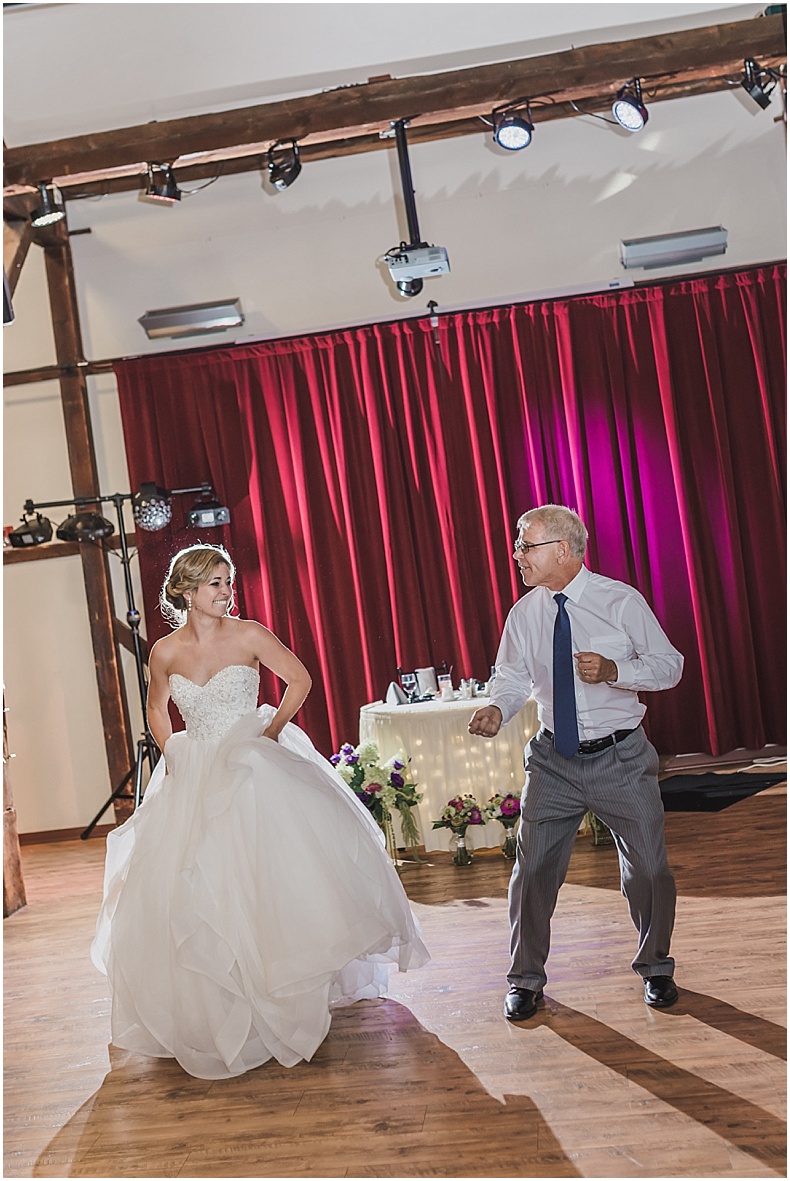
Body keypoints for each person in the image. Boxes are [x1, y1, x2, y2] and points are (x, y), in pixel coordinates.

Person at [91, 543, 428, 1079]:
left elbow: (300, 679)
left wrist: (268, 733)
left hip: (251, 766)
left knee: (268, 880)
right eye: (216, 583)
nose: (228, 591)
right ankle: (223, 1010)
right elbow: (156, 707)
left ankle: (282, 993)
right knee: (197, 888)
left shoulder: (249, 635)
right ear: (186, 591)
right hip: (194, 769)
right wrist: (172, 751)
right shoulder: (164, 651)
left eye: (229, 582)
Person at [469, 505, 683, 1021]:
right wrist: (499, 707)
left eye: (526, 545)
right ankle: (524, 980)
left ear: (561, 550)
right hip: (553, 762)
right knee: (533, 869)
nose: (516, 555)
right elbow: (512, 677)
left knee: (649, 868)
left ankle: (656, 966)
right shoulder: (523, 614)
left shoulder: (619, 601)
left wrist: (615, 669)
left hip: (621, 757)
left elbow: (668, 666)